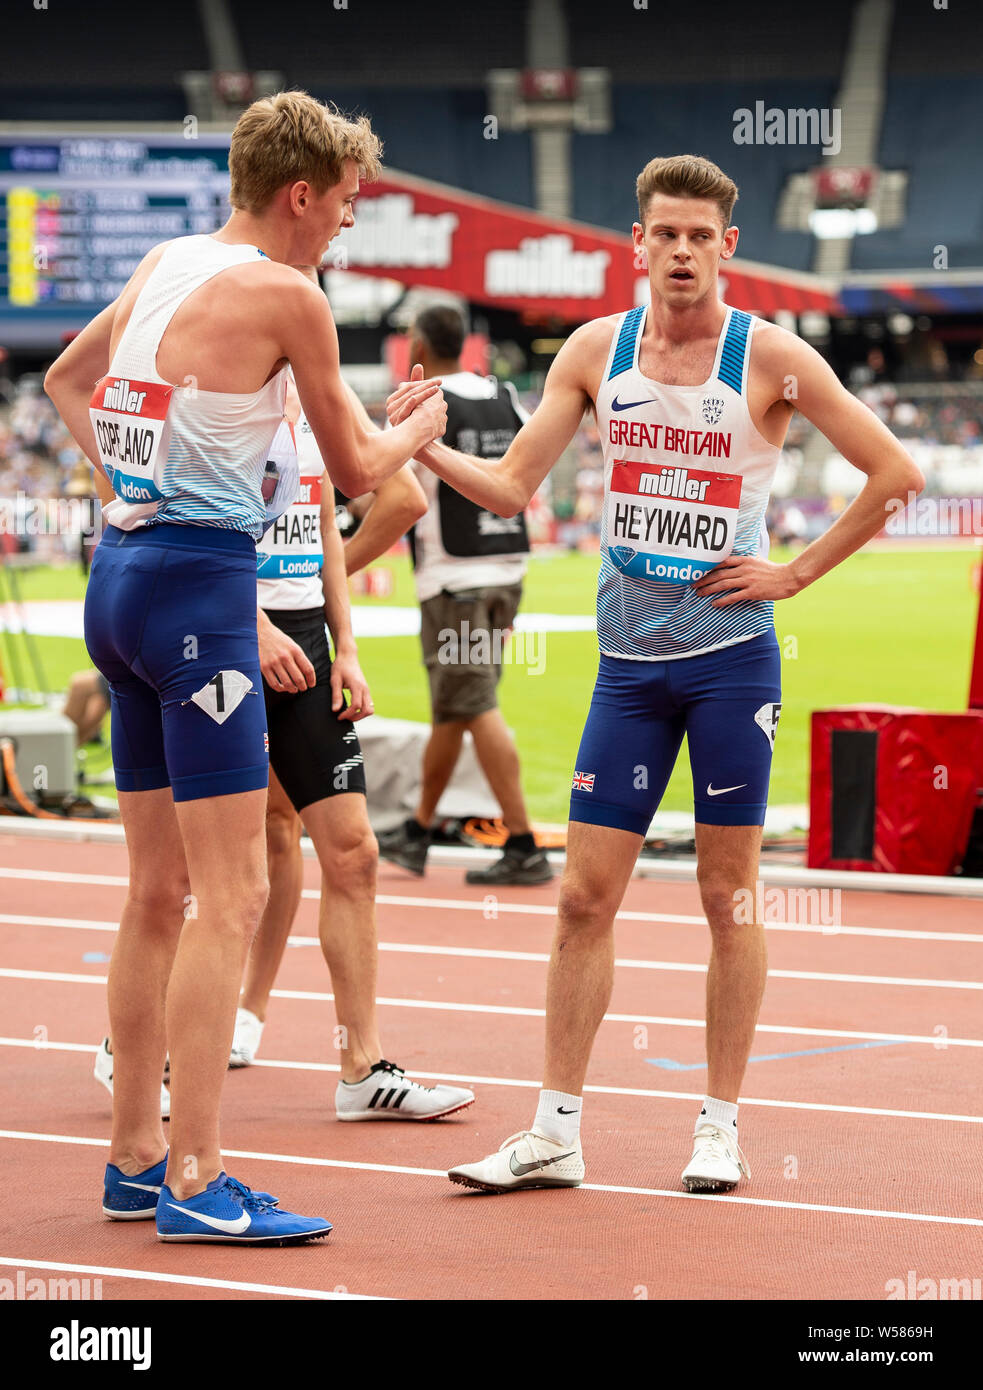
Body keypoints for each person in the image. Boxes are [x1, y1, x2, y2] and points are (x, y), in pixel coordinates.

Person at [385, 154, 923, 1194]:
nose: (679, 251)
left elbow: (893, 472)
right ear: (634, 244)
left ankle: (717, 1124)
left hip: (728, 662)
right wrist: (424, 449)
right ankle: (553, 1131)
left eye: (698, 235)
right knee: (583, 899)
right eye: (661, 233)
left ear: (727, 246)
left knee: (728, 898)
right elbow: (509, 485)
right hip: (627, 668)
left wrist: (793, 572)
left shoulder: (771, 359)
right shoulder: (594, 352)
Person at [43, 90, 445, 1244]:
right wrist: (421, 420)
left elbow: (71, 382)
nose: (347, 233)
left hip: (119, 582)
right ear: (300, 196)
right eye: (347, 210)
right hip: (197, 595)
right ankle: (196, 1177)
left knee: (153, 893)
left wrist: (134, 490)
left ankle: (133, 1158)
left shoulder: (169, 257)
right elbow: (361, 462)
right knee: (237, 894)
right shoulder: (287, 289)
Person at [230, 285, 474, 1120]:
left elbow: (330, 528)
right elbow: (177, 528)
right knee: (210, 868)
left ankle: (360, 1069)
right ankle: (146, 1038)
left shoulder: (315, 405)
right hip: (226, 635)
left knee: (353, 852)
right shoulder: (226, 398)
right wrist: (253, 620)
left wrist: (348, 647)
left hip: (309, 640)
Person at [377, 305, 552, 886]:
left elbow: (386, 478)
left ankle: (524, 842)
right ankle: (419, 831)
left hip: (453, 579)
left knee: (474, 704)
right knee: (454, 708)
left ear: (420, 345)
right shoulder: (504, 396)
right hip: (508, 570)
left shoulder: (422, 405)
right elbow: (531, 469)